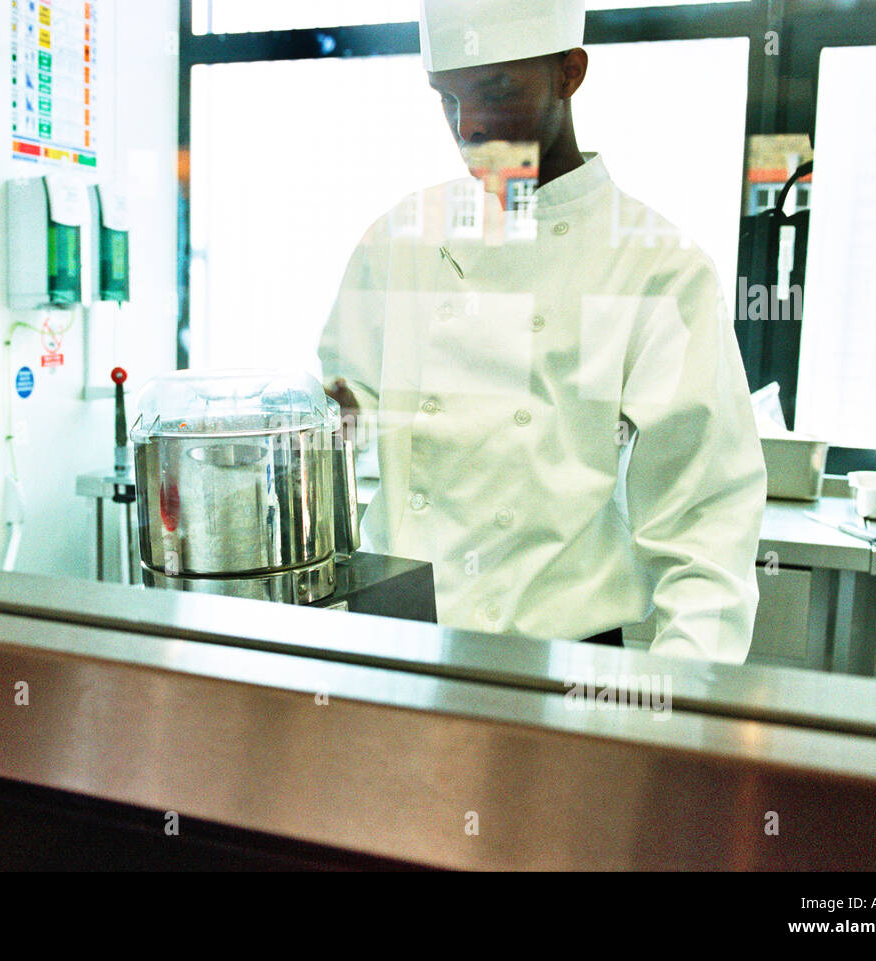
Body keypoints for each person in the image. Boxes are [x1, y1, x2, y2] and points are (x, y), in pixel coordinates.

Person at [318, 0, 767, 662]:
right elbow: (342, 426)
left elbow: (706, 523)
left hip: (562, 663)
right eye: (448, 98)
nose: (469, 125)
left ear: (569, 73)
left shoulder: (655, 267)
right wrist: (331, 417)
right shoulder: (400, 241)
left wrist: (680, 716)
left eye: (497, 89)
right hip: (395, 641)